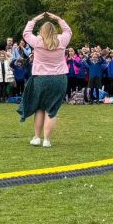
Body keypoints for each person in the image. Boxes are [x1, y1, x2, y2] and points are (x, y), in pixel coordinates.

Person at [18, 11, 72, 146]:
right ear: (54, 31)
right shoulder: (62, 41)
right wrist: (58, 19)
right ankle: (47, 140)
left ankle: (37, 138)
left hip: (41, 79)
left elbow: (26, 33)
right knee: (52, 110)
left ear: (42, 32)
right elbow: (68, 31)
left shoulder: (37, 42)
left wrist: (34, 20)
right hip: (59, 79)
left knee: (39, 108)